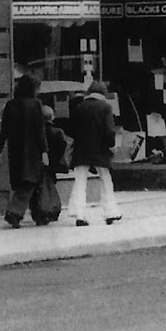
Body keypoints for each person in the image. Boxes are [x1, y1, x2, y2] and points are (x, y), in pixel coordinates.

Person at [0, 72, 46, 228]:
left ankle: (40, 214)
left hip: (15, 150)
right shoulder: (36, 104)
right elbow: (40, 130)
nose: (39, 91)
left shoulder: (11, 105)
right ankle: (14, 213)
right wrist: (44, 151)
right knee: (30, 182)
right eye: (37, 87)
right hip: (33, 151)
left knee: (30, 182)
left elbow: (4, 130)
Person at [67, 80, 122, 226]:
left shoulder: (79, 107)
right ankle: (110, 212)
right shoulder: (105, 107)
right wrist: (111, 146)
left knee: (80, 181)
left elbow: (71, 130)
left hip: (81, 149)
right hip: (100, 150)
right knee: (105, 180)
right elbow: (109, 131)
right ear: (103, 93)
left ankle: (79, 214)